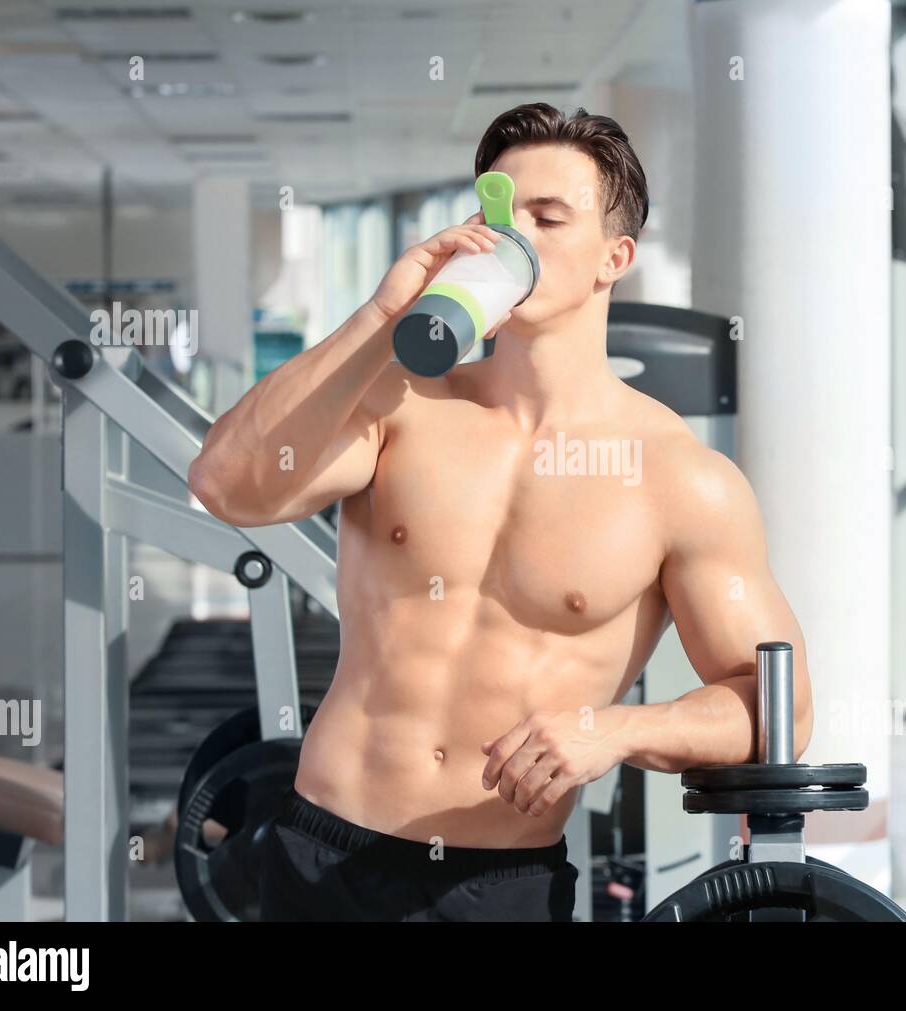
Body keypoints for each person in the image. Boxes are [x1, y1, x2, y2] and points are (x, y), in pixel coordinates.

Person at [188, 102, 812, 922]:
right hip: (321, 854)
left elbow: (780, 707)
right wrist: (380, 318)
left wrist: (611, 731)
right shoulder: (402, 408)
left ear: (612, 258)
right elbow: (225, 482)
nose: (509, 236)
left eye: (548, 218)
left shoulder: (678, 478)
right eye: (496, 212)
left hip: (496, 886)